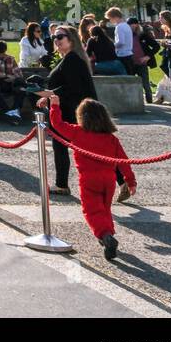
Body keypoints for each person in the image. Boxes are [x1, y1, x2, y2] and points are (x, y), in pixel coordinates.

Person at [36, 94, 136, 260]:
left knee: (92, 211)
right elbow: (124, 162)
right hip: (109, 179)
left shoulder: (77, 132)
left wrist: (54, 106)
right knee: (104, 209)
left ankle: (105, 235)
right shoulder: (112, 139)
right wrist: (130, 182)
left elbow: (57, 125)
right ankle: (107, 235)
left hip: (88, 179)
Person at [40, 24, 98, 197]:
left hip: (75, 111)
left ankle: (62, 184)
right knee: (91, 147)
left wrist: (49, 94)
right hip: (72, 109)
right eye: (54, 38)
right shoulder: (68, 58)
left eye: (60, 37)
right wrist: (48, 95)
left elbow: (72, 87)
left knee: (94, 148)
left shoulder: (72, 59)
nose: (56, 41)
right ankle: (61, 183)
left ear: (71, 39)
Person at [105, 7, 135, 76]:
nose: (110, 20)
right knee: (130, 76)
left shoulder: (119, 27)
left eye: (110, 18)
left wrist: (111, 45)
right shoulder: (126, 25)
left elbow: (121, 42)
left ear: (115, 17)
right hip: (129, 54)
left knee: (124, 78)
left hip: (122, 55)